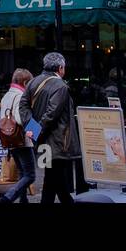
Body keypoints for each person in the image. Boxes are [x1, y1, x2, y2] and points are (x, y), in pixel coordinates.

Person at [27, 52, 82, 204]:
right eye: (64, 67)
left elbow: (23, 107)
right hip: (58, 141)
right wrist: (36, 130)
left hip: (42, 140)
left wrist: (32, 129)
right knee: (54, 176)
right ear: (60, 68)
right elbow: (51, 114)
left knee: (51, 178)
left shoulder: (33, 82)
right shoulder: (60, 85)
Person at [0, 68, 36, 203]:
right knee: (30, 175)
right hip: (22, 140)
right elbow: (21, 119)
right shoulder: (21, 96)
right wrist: (37, 131)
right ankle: (8, 197)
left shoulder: (6, 96)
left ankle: (23, 200)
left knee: (22, 173)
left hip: (10, 140)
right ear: (25, 83)